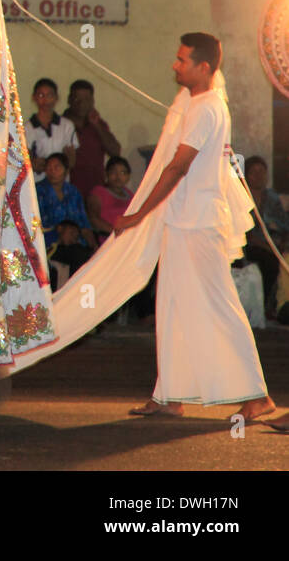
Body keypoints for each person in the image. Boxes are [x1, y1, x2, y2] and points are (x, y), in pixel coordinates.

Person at [114, 33, 275, 421]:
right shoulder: (193, 103)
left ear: (204, 67)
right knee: (171, 307)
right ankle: (171, 394)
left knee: (220, 306)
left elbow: (178, 166)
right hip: (183, 221)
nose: (175, 65)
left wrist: (138, 215)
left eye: (182, 60)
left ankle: (257, 395)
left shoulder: (206, 108)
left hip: (201, 224)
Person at [238, 157, 289, 319]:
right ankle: (262, 306)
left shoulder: (272, 199)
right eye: (254, 172)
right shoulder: (241, 197)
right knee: (269, 262)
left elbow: (283, 224)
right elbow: (247, 233)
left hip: (274, 243)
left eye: (262, 172)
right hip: (249, 246)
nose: (259, 176)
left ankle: (277, 305)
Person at [35, 152, 96, 272]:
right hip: (50, 243)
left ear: (66, 170)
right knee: (77, 256)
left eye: (57, 167)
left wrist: (93, 245)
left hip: (75, 240)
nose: (52, 171)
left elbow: (83, 223)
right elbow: (37, 223)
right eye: (49, 168)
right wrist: (59, 233)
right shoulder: (38, 191)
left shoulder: (73, 192)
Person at [65, 79, 122, 201]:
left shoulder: (99, 124)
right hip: (67, 192)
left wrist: (97, 125)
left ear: (92, 101)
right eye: (77, 99)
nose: (81, 104)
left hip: (95, 192)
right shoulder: (60, 124)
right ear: (69, 100)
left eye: (86, 100)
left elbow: (115, 151)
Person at [24, 77, 77, 183]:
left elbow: (71, 161)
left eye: (50, 95)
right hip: (36, 183)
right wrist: (34, 164)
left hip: (61, 185)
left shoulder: (67, 125)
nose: (45, 100)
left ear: (56, 97)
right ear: (34, 98)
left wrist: (52, 167)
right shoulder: (27, 128)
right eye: (41, 95)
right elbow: (25, 160)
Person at [87, 155, 134, 242]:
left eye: (123, 173)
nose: (118, 176)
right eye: (113, 172)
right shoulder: (98, 193)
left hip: (128, 239)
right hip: (108, 239)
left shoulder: (130, 195)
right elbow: (93, 219)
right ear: (106, 174)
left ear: (128, 176)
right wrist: (114, 231)